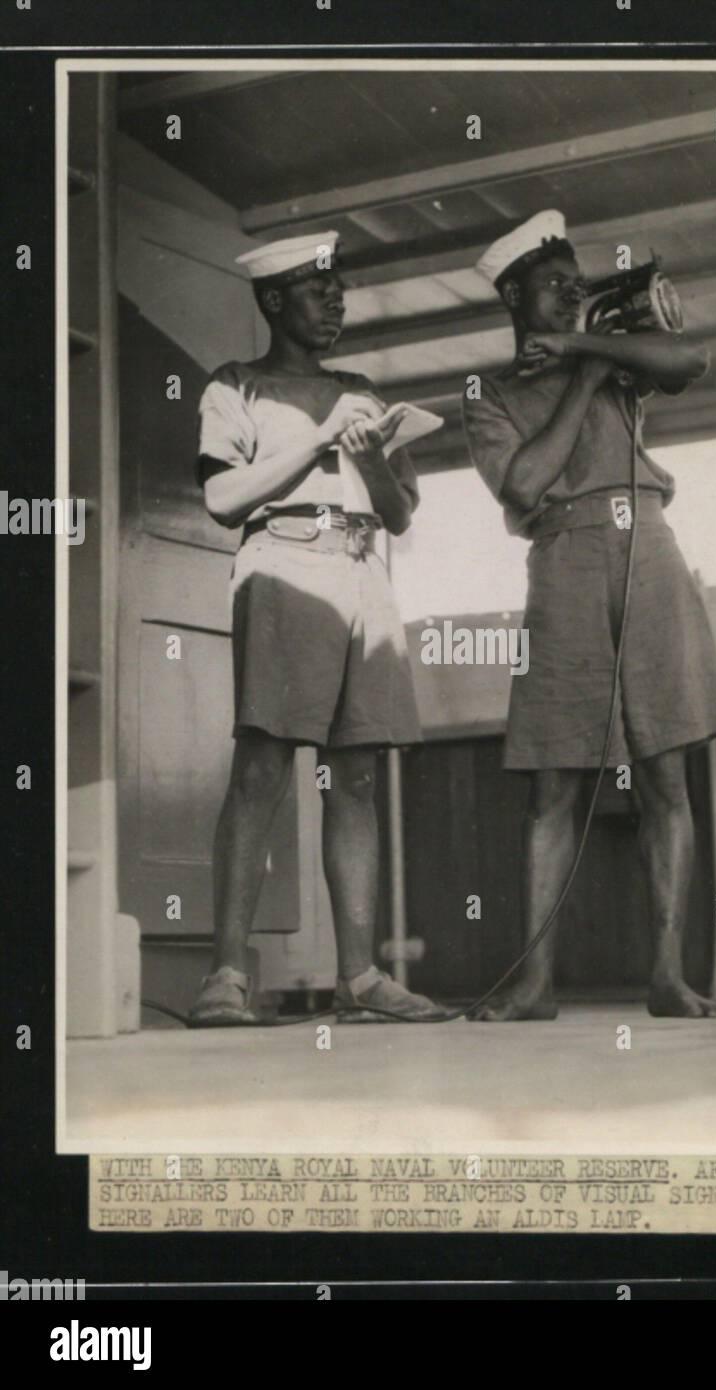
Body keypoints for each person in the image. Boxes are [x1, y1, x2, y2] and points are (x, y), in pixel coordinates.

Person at [461, 210, 716, 1021]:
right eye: (555, 287)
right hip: (565, 556)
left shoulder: (614, 362)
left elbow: (691, 358)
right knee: (556, 784)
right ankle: (536, 980)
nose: (573, 293)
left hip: (649, 545)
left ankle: (667, 976)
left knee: (666, 775)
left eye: (577, 284)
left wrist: (585, 348)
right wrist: (583, 378)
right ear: (513, 295)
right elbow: (523, 485)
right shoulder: (493, 396)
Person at [189, 231, 446, 1025]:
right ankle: (226, 977)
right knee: (263, 769)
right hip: (284, 562)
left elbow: (400, 512)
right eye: (315, 288)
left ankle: (361, 979)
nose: (335, 299)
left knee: (357, 777)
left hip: (364, 568)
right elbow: (224, 500)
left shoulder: (361, 388)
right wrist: (323, 433)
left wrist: (367, 453)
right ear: (272, 301)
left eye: (338, 287)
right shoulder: (236, 387)